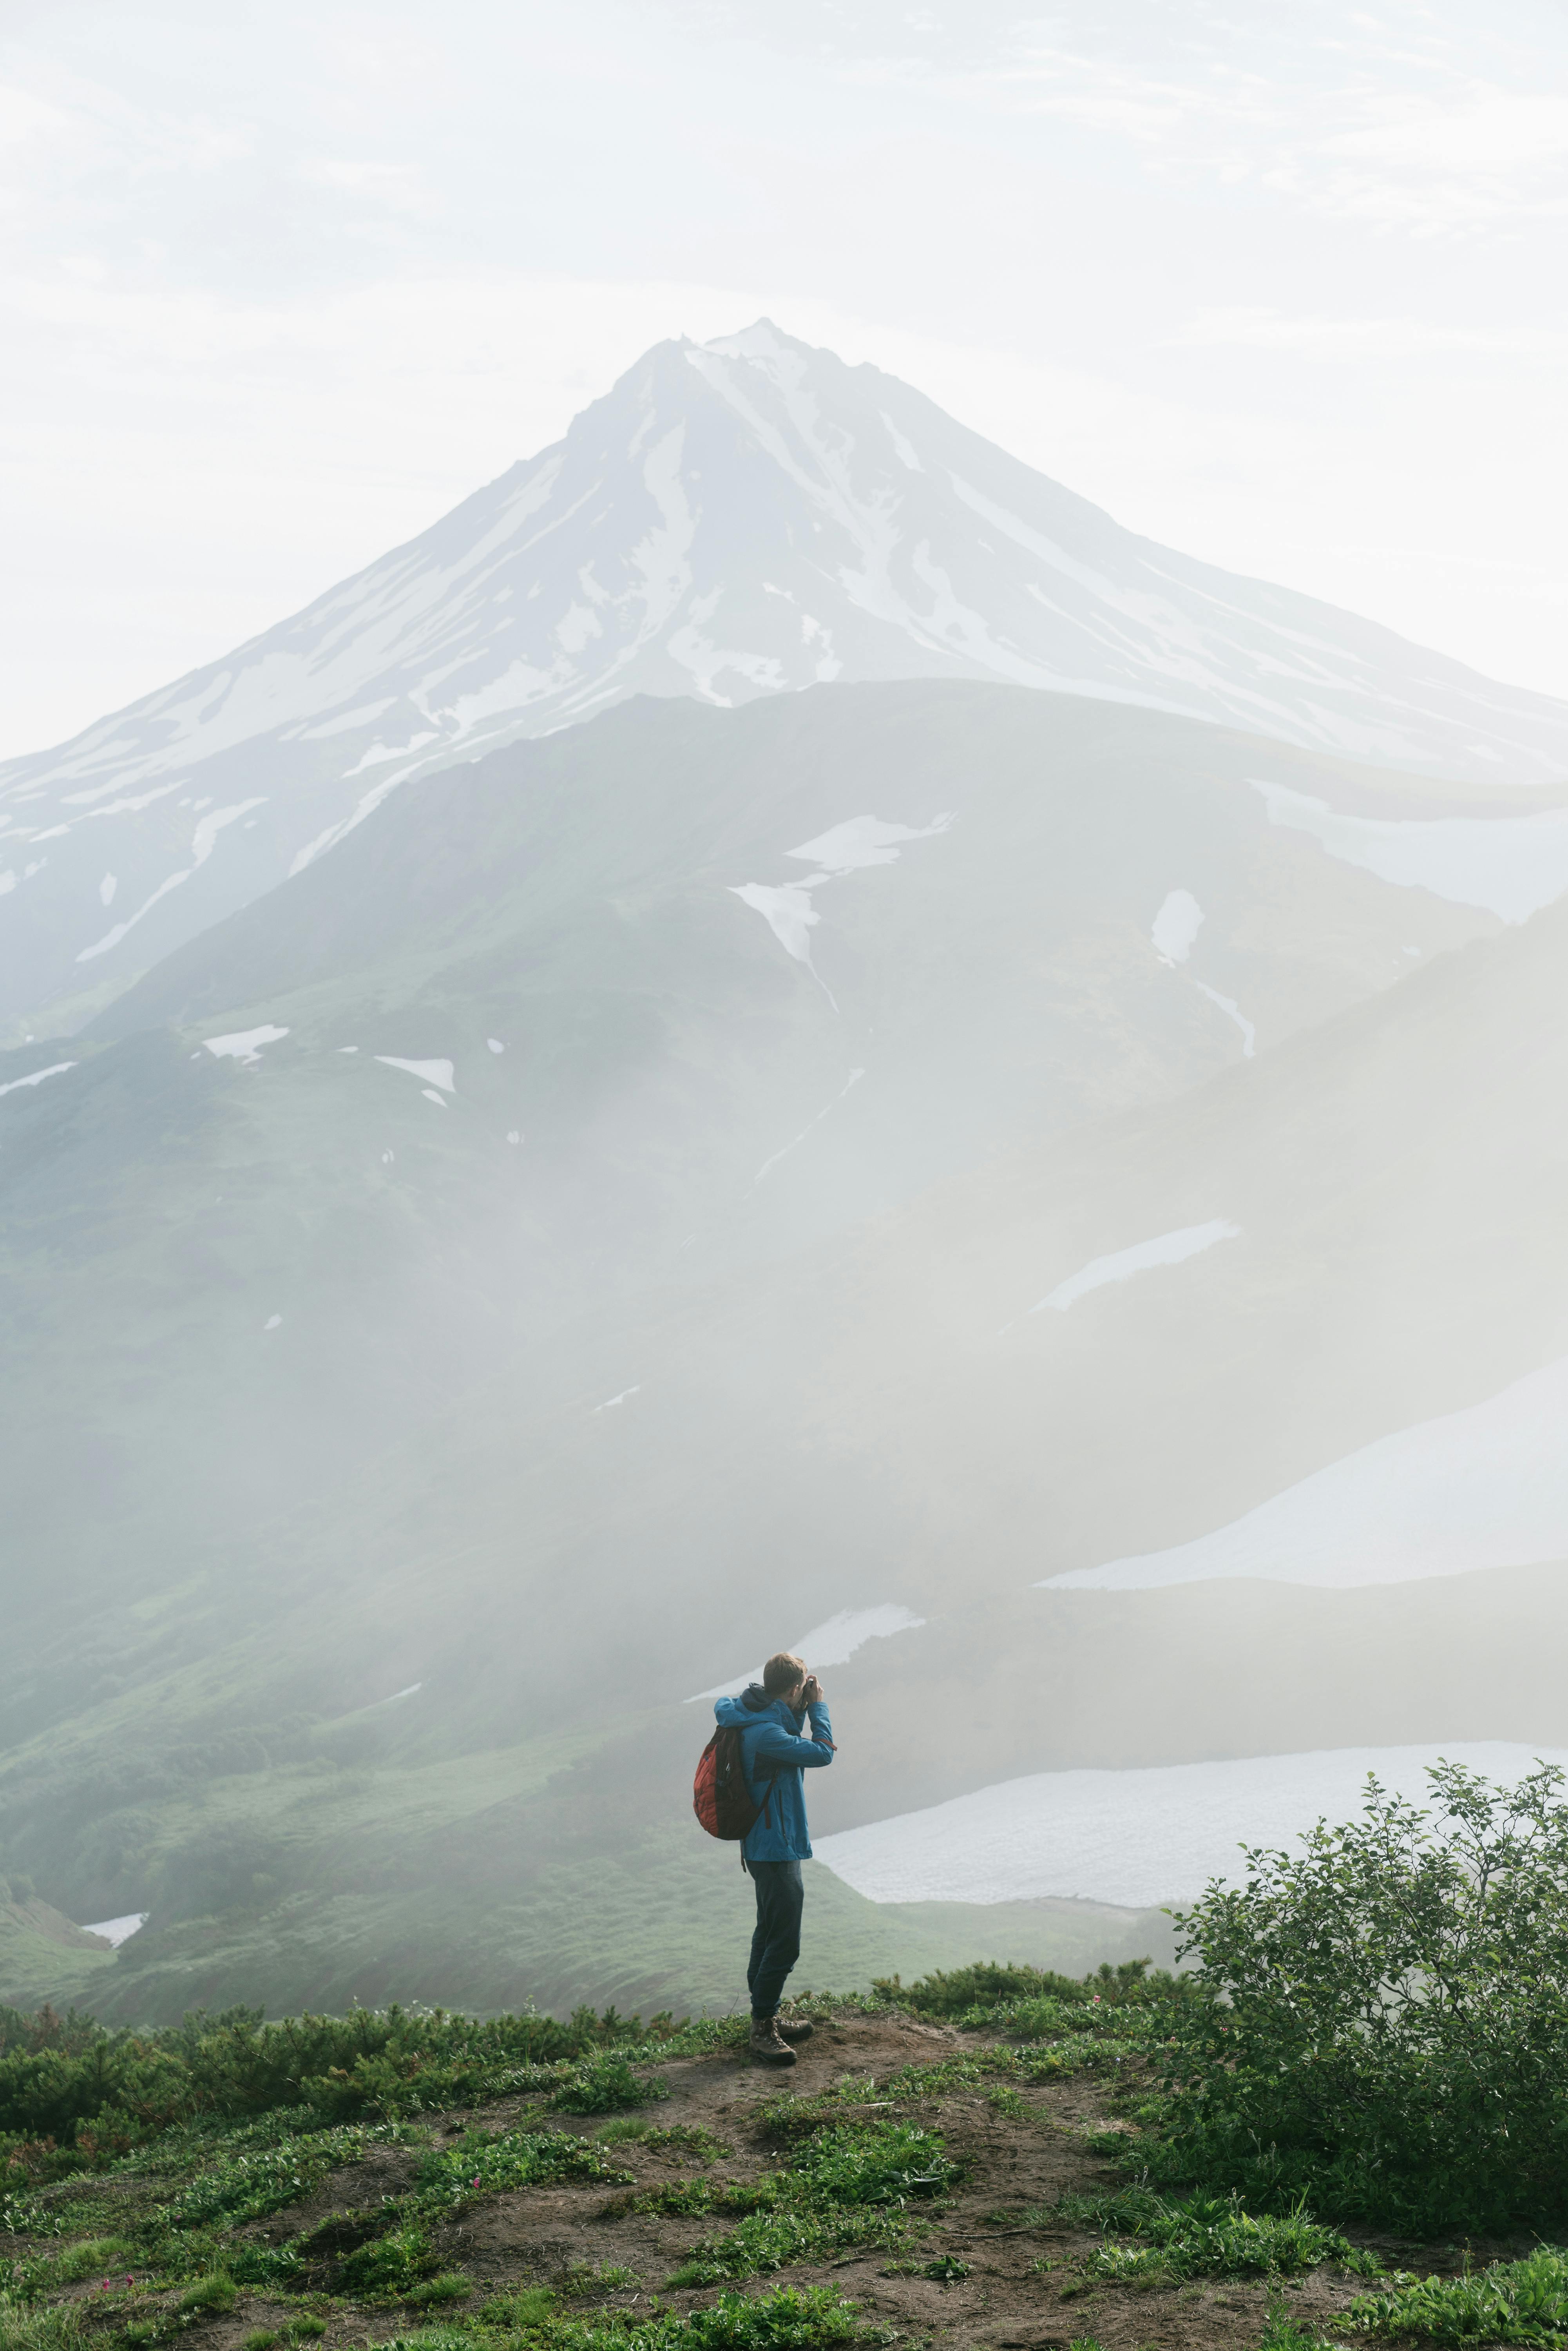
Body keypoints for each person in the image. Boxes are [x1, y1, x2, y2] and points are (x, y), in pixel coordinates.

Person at [712, 1650, 836, 2065]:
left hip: (766, 1844)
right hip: (774, 1846)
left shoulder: (754, 1716)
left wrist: (796, 1707)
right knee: (784, 1941)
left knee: (768, 1931)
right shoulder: (765, 1733)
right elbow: (821, 1753)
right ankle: (762, 2028)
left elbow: (786, 1738)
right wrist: (818, 1709)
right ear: (796, 1688)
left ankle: (765, 2014)